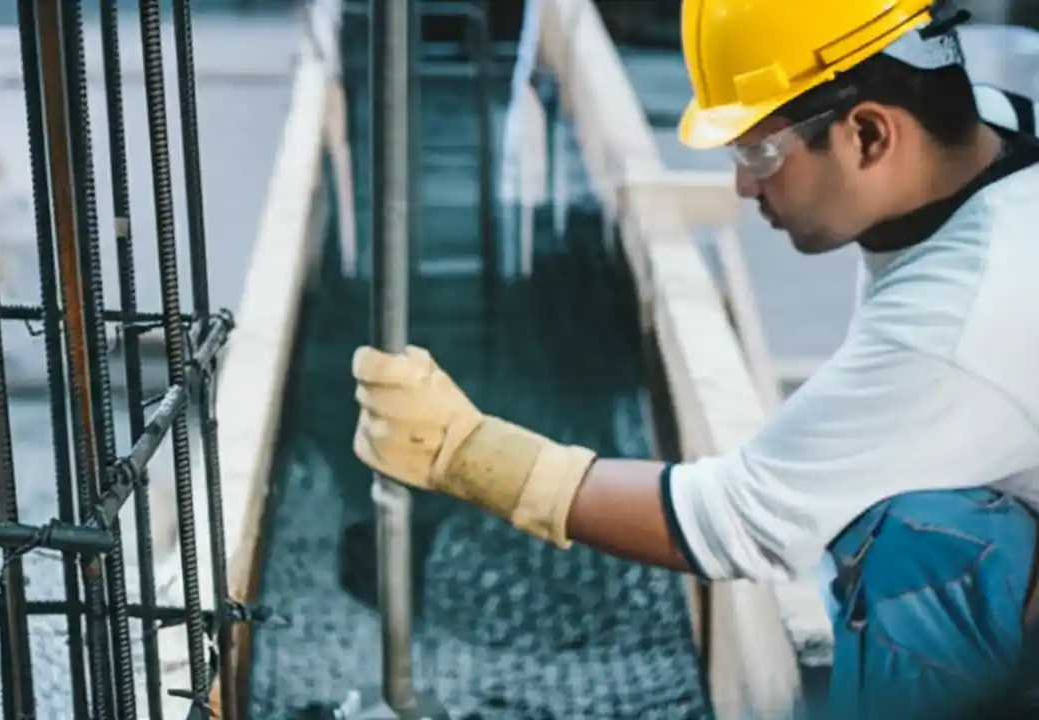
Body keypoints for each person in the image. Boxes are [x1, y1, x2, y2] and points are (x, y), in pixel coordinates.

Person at [348, 1, 1039, 718]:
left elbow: (738, 518)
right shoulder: (996, 136)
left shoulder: (961, 316)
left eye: (759, 154)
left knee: (921, 543)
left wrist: (468, 453)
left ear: (868, 134)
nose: (744, 186)